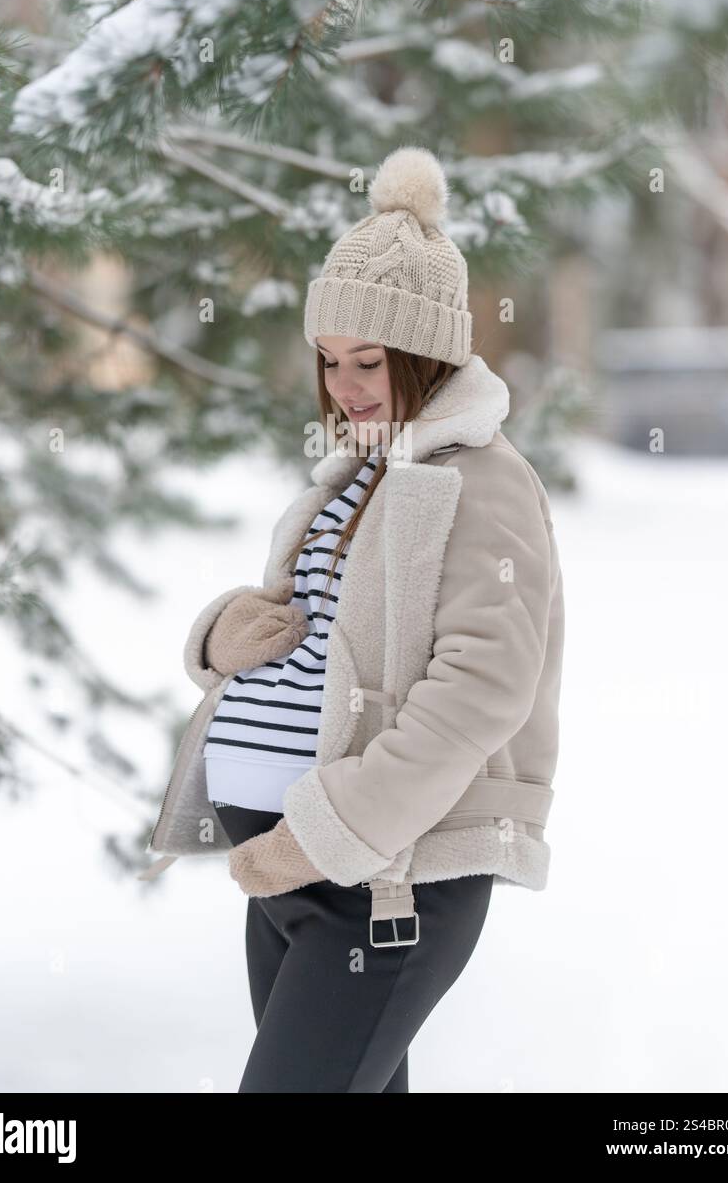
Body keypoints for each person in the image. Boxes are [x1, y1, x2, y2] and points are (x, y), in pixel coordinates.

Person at [150, 145, 565, 1092]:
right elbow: (317, 635)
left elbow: (480, 690)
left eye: (369, 360)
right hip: (295, 873)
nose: (344, 385)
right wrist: (223, 635)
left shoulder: (480, 479)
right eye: (330, 361)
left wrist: (329, 833)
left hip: (384, 881)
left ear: (426, 352)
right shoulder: (365, 476)